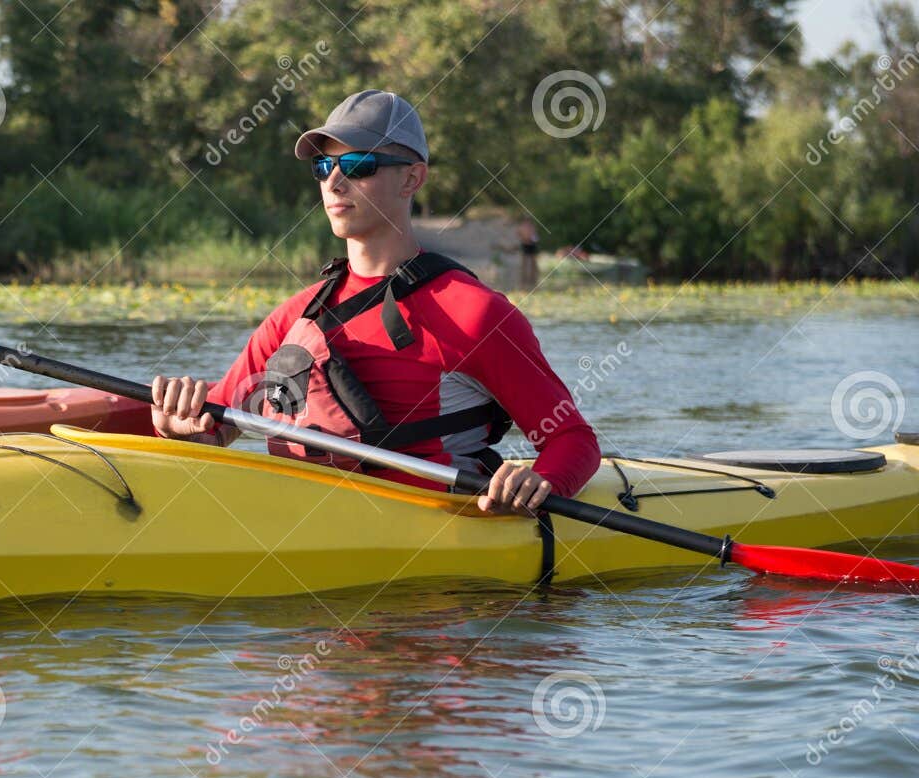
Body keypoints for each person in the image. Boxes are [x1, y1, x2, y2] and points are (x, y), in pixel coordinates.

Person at [151, 91, 598, 515]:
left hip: (442, 558)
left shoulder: (475, 315)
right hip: (308, 520)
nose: (334, 181)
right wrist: (178, 426)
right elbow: (220, 427)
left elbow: (572, 440)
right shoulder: (295, 317)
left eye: (359, 164)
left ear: (412, 178)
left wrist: (540, 481)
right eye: (323, 166)